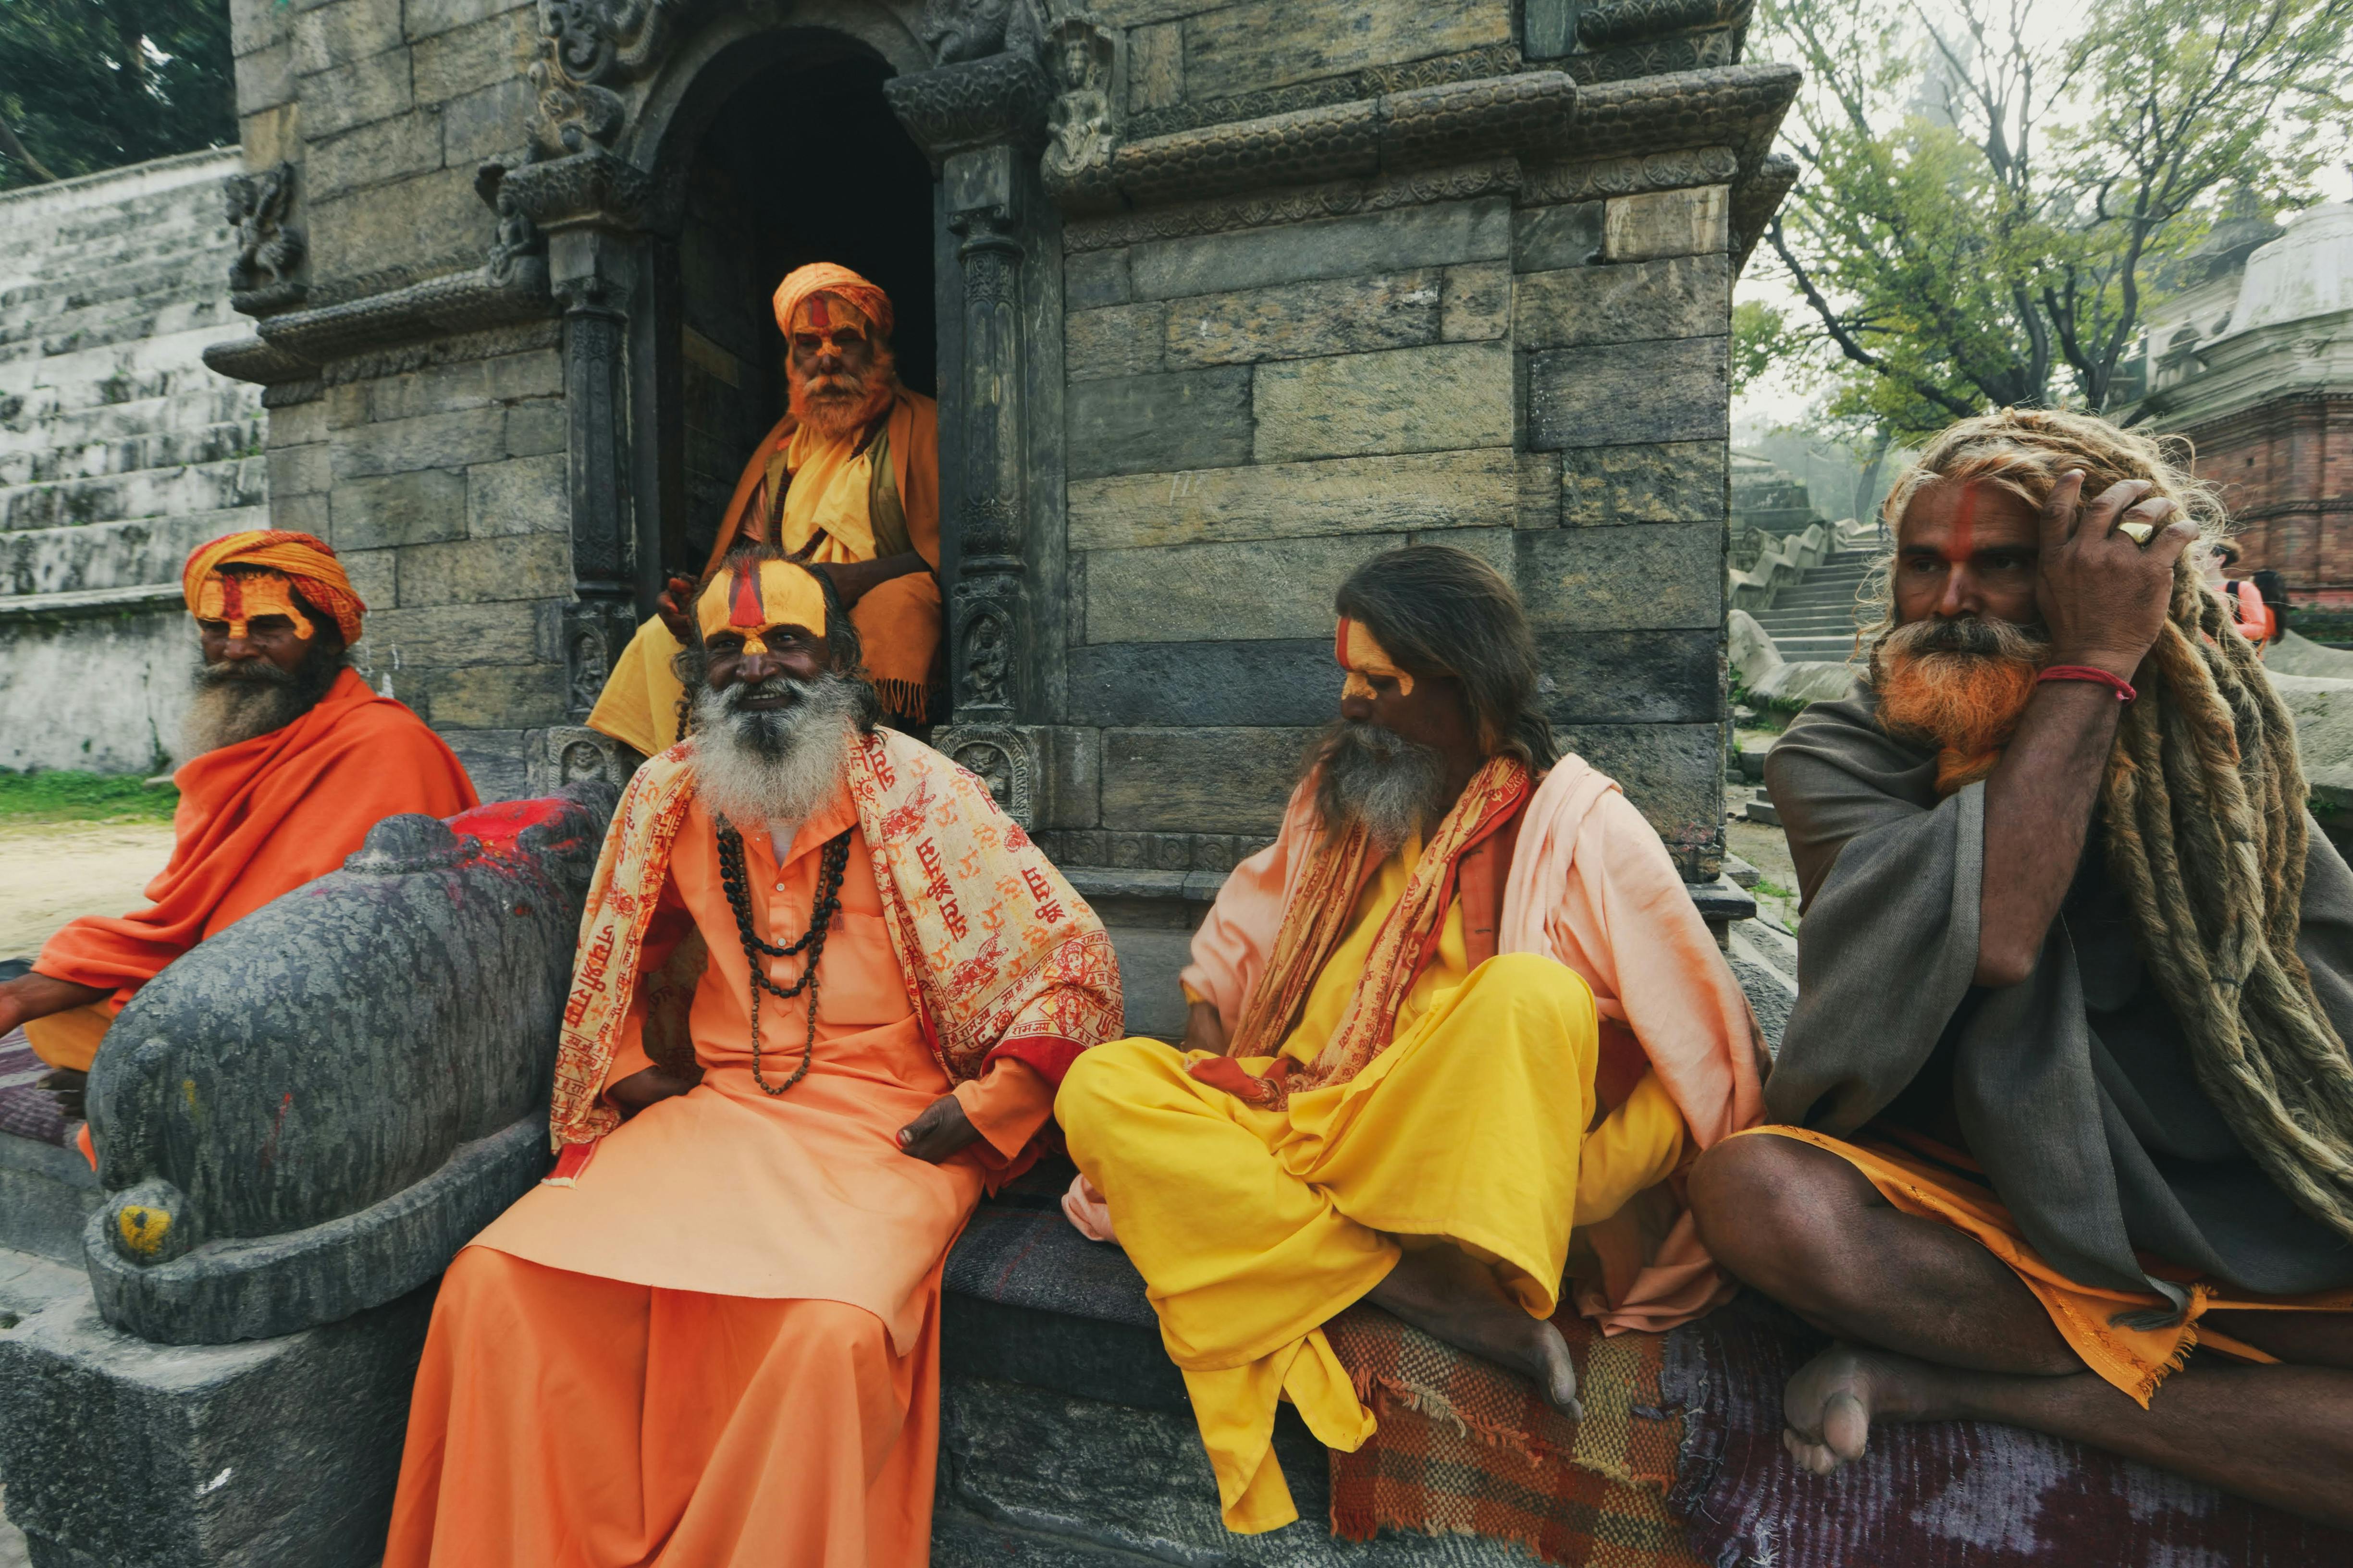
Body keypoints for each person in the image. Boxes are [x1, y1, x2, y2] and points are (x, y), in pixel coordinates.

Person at [384, 547, 1121, 1567]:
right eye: (726, 649)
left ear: (841, 664)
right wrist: (628, 1069)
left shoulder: (926, 791)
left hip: (891, 1130)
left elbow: (1072, 962)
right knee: (494, 1284)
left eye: (787, 642)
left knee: (827, 1334)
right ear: (694, 678)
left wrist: (991, 1106)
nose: (757, 666)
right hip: (721, 1110)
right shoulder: (667, 793)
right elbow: (615, 961)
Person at [1689, 408, 2353, 1528]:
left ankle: (1971, 1384)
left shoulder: (2209, 745)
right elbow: (1995, 933)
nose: (1949, 602)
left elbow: (2306, 1013)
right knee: (1760, 1198)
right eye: (1920, 565)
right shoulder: (1835, 754)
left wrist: (2111, 660)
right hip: (1992, 1223)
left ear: (2102, 576)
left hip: (2239, 1219)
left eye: (2001, 564)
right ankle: (2159, 1375)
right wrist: (2093, 662)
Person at [1053, 545, 1764, 1533]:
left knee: (1529, 996)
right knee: (1101, 1083)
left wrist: (1570, 1183)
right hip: (1299, 1118)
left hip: (1444, 1158)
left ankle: (1286, 1239)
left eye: (1380, 683)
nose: (1350, 704)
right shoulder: (1336, 802)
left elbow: (1707, 1063)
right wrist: (1213, 1060)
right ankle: (1413, 1285)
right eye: (1346, 677)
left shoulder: (1582, 827)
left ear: (1467, 690)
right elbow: (1225, 973)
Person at [0, 529, 476, 1090]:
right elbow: (185, 922)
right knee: (51, 1015)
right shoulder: (242, 747)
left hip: (326, 1003)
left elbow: (365, 946)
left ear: (327, 638)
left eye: (268, 629)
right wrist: (23, 995)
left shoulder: (386, 743)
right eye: (216, 629)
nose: (237, 649)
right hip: (225, 975)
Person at [588, 262, 941, 754]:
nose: (828, 358)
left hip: (872, 595)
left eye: (846, 338)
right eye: (809, 345)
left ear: (879, 348)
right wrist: (704, 599)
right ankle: (687, 769)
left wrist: (857, 580)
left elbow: (949, 552)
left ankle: (871, 757)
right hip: (781, 608)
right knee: (656, 637)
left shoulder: (926, 426)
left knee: (898, 604)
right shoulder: (780, 450)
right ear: (792, 360)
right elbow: (749, 554)